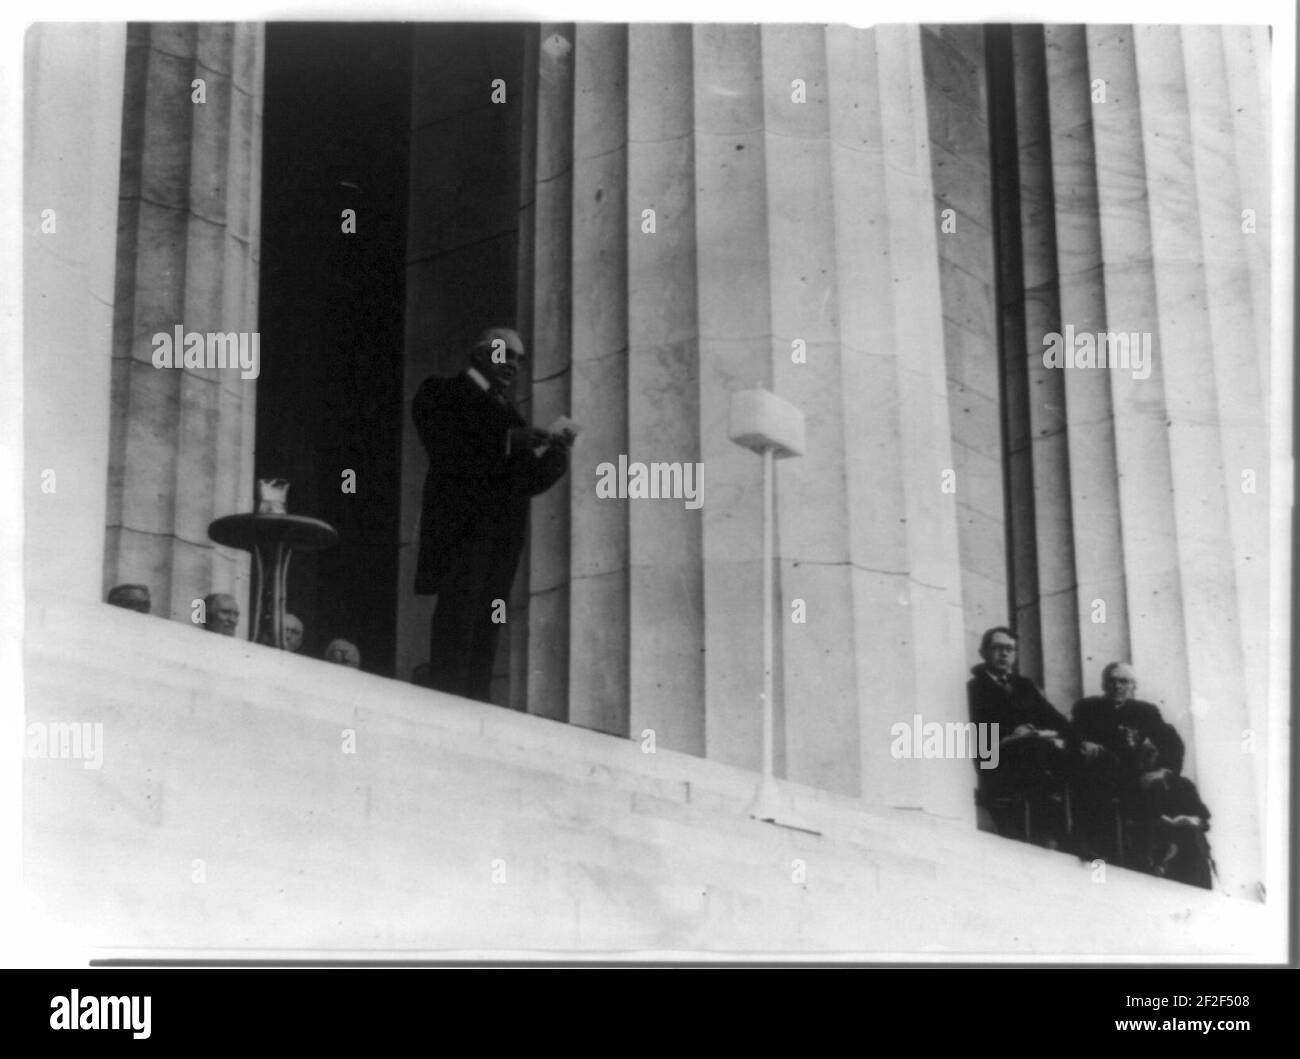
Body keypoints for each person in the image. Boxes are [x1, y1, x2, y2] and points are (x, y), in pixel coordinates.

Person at [413, 327, 573, 702]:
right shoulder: (442, 391)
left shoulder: (510, 415)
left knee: (488, 621)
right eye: (507, 356)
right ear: (482, 355)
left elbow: (525, 481)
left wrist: (556, 453)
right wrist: (508, 441)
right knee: (458, 613)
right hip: (461, 531)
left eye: (520, 360)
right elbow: (445, 445)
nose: (514, 366)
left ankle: (476, 704)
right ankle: (448, 702)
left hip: (500, 541)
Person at [1072, 663, 1213, 887]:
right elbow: (1073, 733)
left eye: (1124, 681)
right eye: (1112, 680)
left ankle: (1189, 824)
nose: (1117, 686)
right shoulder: (1087, 707)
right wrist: (1084, 743)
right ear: (1103, 684)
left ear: (1134, 686)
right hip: (1099, 773)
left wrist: (1164, 770)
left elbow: (1171, 742)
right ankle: (1150, 844)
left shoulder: (1145, 712)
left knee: (1180, 784)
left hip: (1132, 774)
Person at [967, 627, 1076, 847]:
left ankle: (1069, 834)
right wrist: (1012, 737)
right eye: (997, 648)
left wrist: (1065, 736)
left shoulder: (1024, 686)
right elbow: (977, 734)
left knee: (1073, 754)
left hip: (1031, 752)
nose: (1004, 654)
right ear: (983, 652)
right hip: (994, 758)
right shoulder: (974, 688)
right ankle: (1047, 832)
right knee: (1036, 751)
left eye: (1009, 649)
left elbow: (1054, 718)